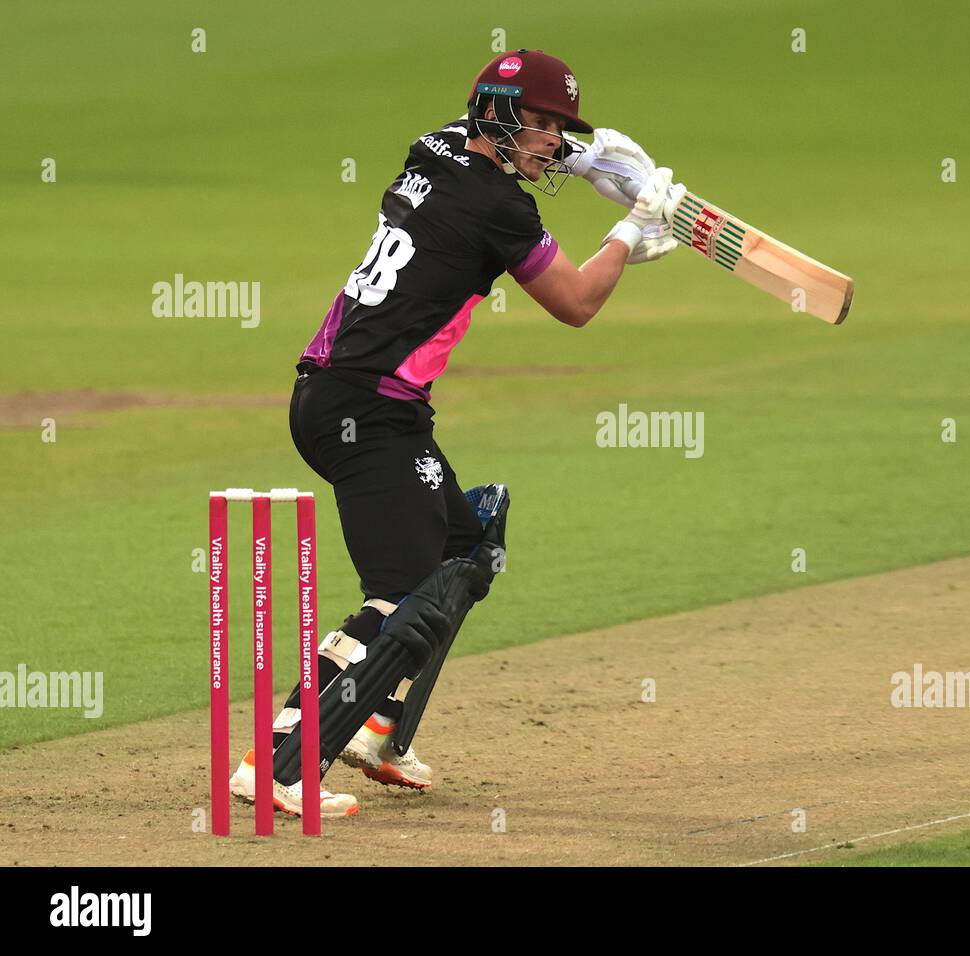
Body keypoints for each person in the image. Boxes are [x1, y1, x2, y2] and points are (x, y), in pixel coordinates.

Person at [228, 49, 682, 817]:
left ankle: (378, 728)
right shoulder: (502, 210)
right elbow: (575, 303)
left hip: (368, 401)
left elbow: (478, 140)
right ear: (501, 119)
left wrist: (586, 155)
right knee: (403, 595)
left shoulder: (433, 147)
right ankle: (276, 765)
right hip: (364, 409)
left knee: (466, 547)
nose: (549, 141)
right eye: (540, 125)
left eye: (556, 129)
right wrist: (630, 231)